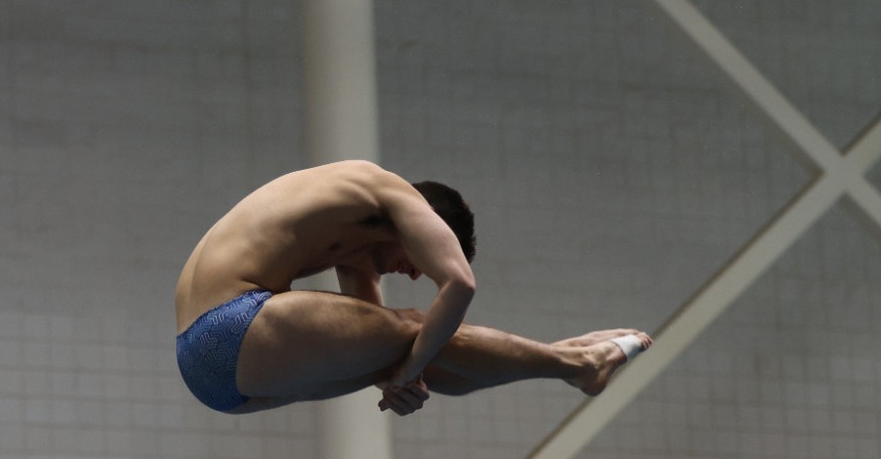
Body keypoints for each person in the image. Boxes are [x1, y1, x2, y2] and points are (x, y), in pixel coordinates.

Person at [174, 161, 650, 415]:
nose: (416, 273)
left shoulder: (351, 242)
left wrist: (404, 382)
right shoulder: (385, 190)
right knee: (421, 327)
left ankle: (567, 363)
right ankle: (576, 362)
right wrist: (409, 369)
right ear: (426, 226)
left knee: (421, 346)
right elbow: (460, 284)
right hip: (233, 324)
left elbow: (381, 353)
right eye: (420, 259)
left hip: (214, 374)